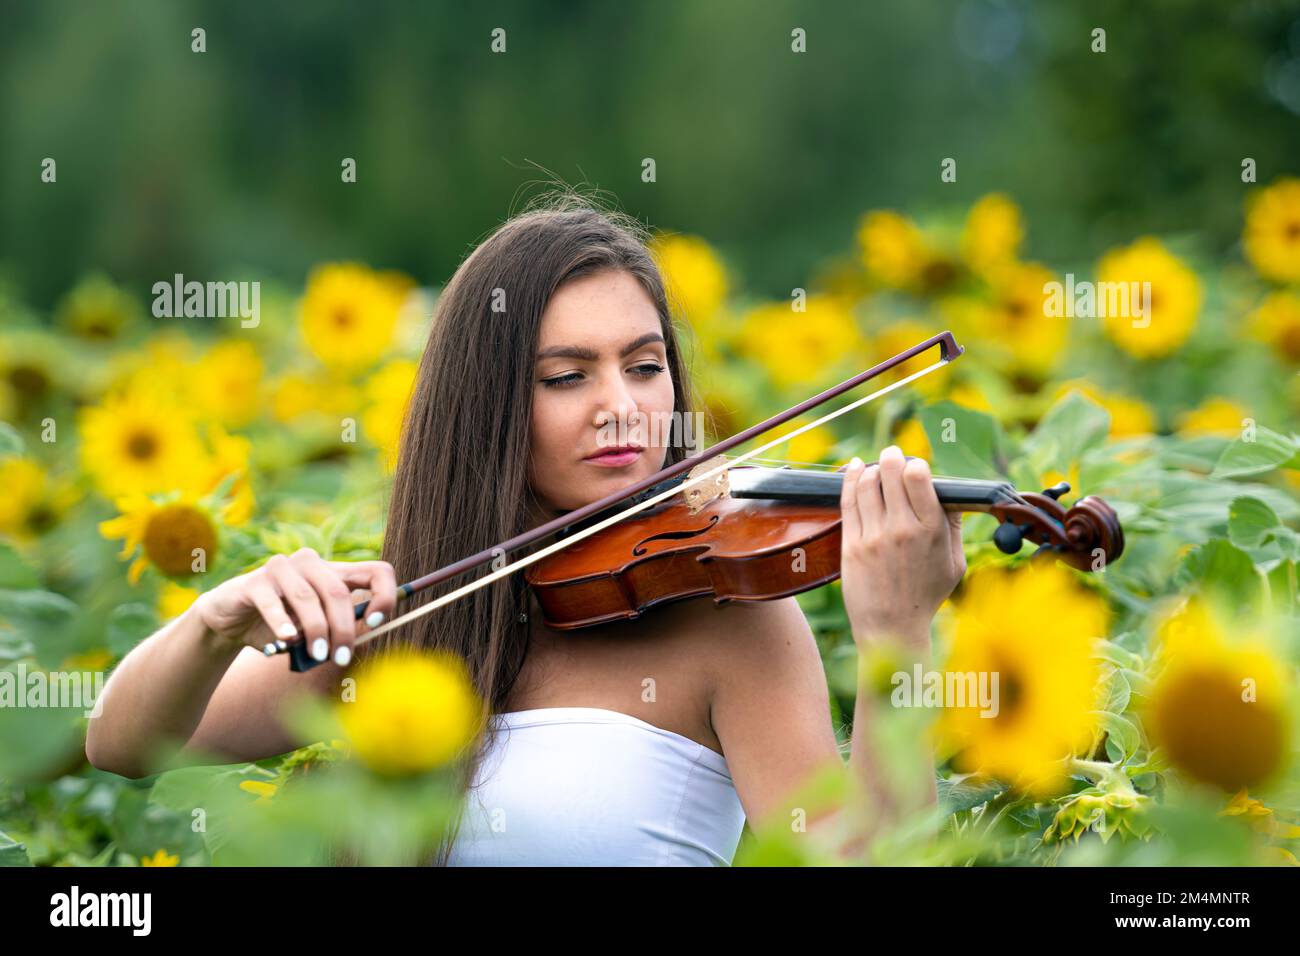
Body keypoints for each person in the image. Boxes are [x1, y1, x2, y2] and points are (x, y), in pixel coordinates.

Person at [85, 193, 966, 866]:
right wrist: (215, 622)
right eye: (566, 377)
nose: (622, 408)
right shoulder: (407, 622)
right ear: (489, 408)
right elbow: (122, 745)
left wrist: (897, 639)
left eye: (645, 366)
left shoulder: (729, 621)